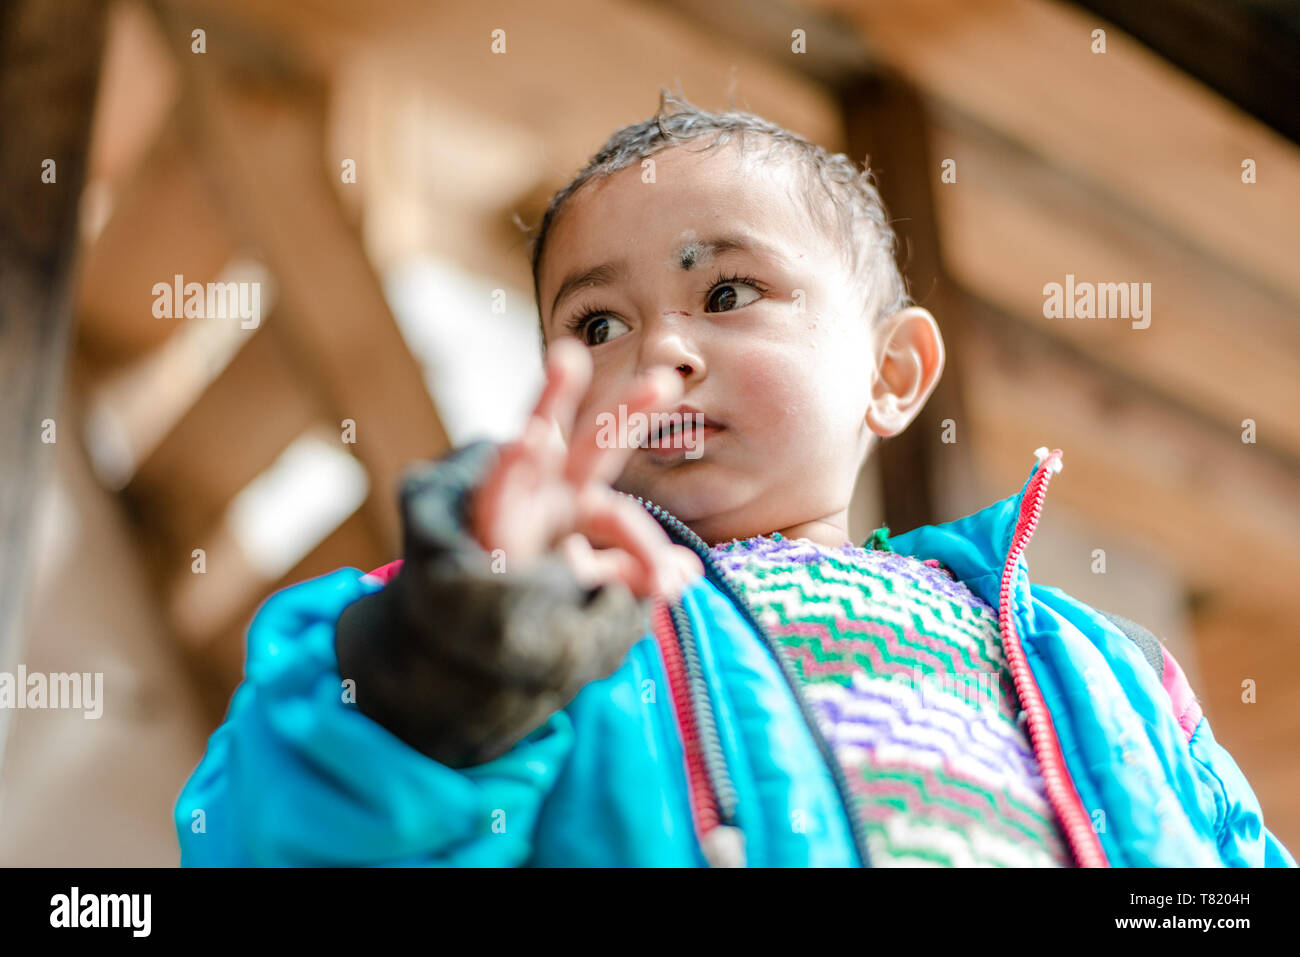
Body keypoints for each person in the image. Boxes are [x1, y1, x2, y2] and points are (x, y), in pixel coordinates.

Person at [174, 91, 1295, 868]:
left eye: (725, 295)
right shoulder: (531, 618)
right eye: (597, 320)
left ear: (893, 373)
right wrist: (446, 665)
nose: (657, 353)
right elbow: (270, 834)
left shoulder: (1104, 671)